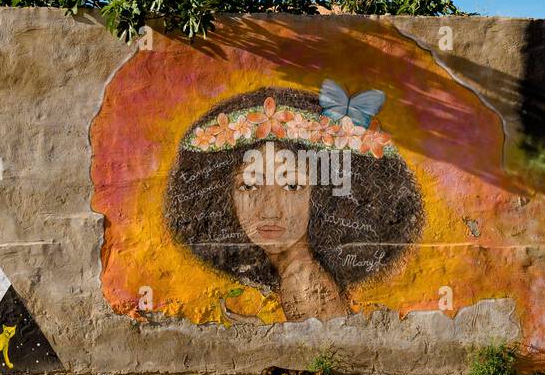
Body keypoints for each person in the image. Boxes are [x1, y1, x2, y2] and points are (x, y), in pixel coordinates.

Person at [165, 87, 423, 322]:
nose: (269, 210)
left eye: (291, 186)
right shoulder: (288, 274)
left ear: (321, 194)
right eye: (249, 186)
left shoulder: (304, 283)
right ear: (226, 195)